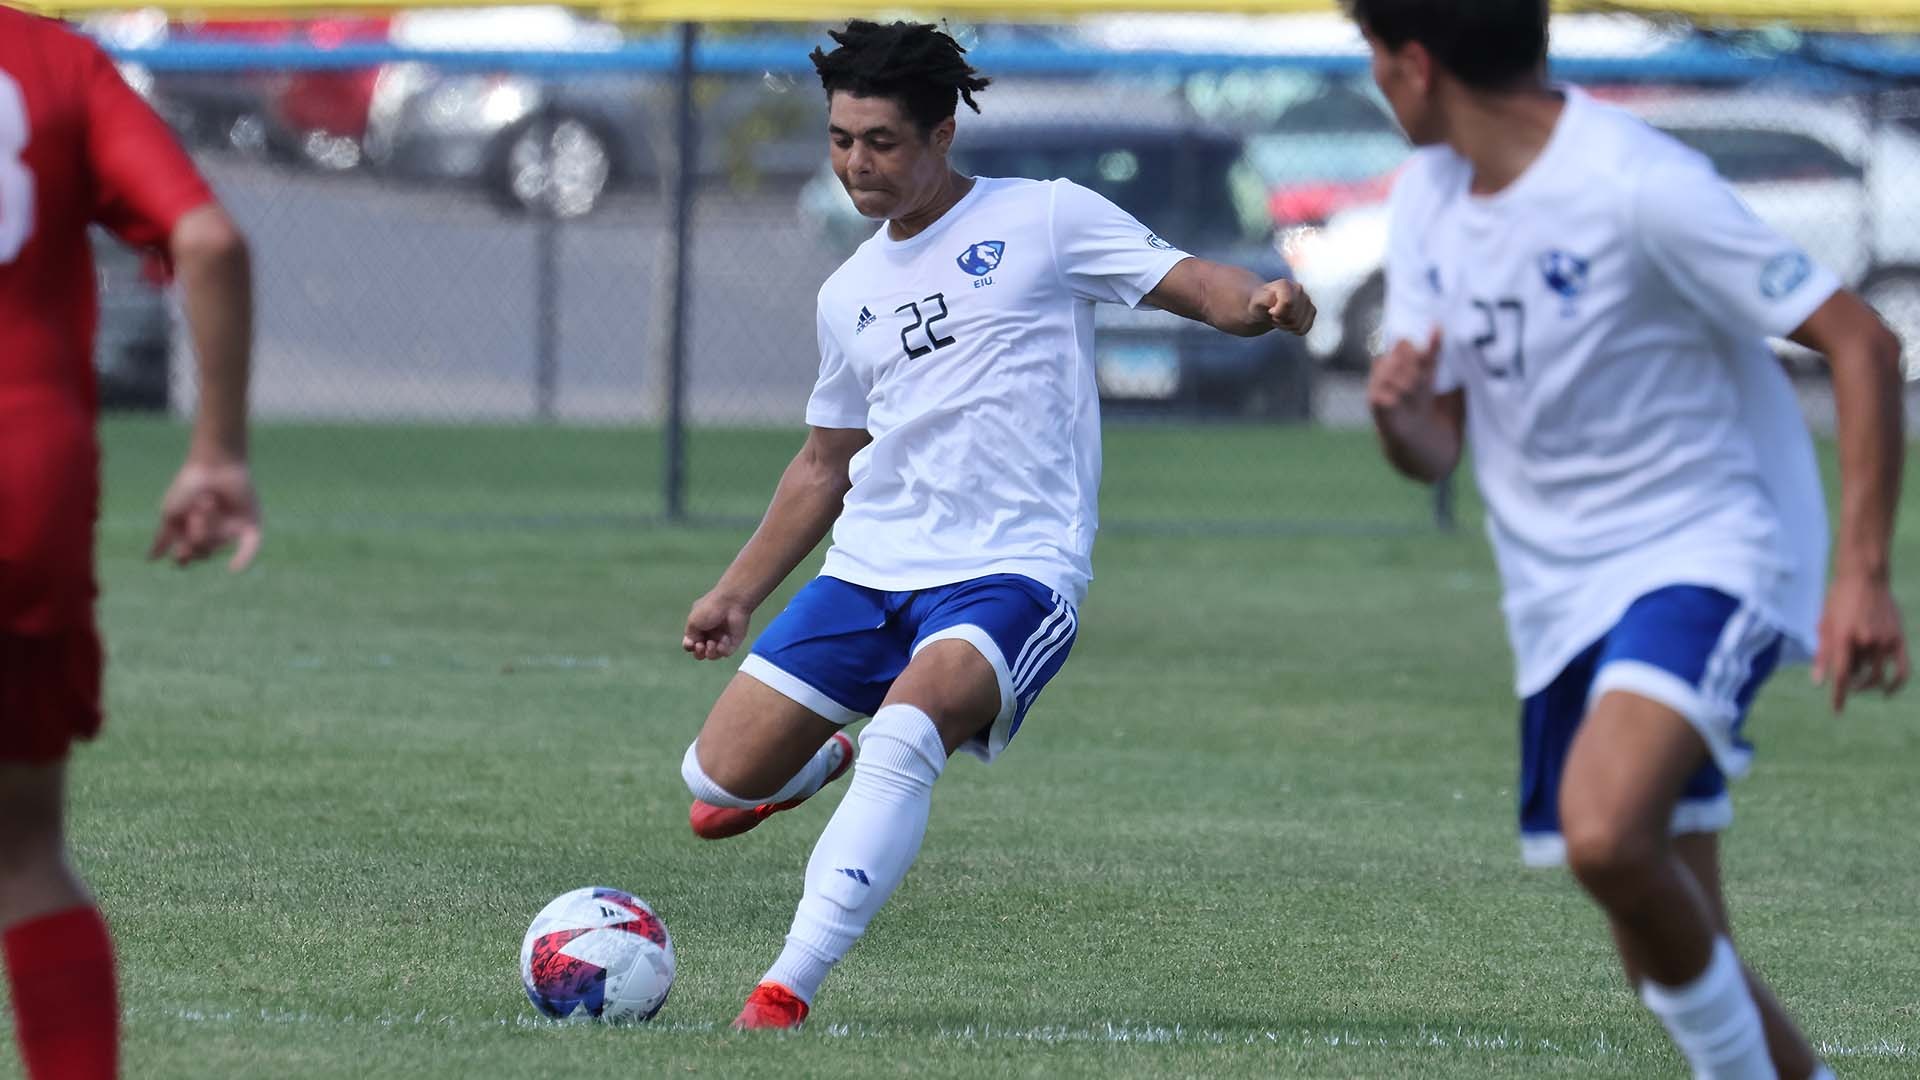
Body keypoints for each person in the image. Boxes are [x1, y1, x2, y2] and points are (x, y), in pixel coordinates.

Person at [677, 19, 1316, 1030]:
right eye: (841, 140)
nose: (856, 163)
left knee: (906, 738)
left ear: (940, 135)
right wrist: (735, 591)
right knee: (712, 782)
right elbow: (822, 463)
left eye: (879, 141)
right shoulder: (849, 295)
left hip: (1013, 570)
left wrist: (1266, 302)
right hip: (870, 570)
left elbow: (1196, 282)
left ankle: (785, 987)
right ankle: (822, 761)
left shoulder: (1044, 218)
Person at [1347, 2, 1908, 1077]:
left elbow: (1862, 341)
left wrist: (1863, 577)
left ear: (1416, 66)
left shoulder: (1637, 183)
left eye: (1374, 60)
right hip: (1560, 599)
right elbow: (1435, 445)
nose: (1375, 82)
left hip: (1709, 551)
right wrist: (1397, 414)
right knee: (1665, 933)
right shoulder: (1427, 200)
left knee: (1604, 832)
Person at [1, 11, 261, 1078]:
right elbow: (207, 240)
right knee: (21, 852)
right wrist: (218, 451)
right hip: (26, 475)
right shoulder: (50, 61)